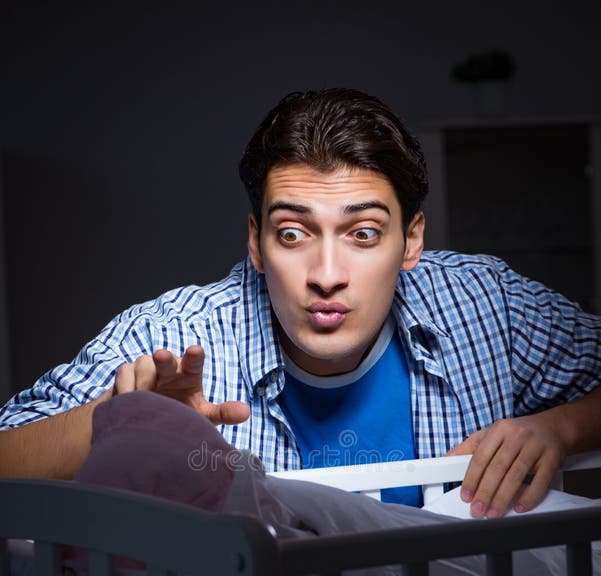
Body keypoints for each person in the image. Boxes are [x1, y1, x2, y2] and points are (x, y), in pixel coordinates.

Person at [1, 87, 601, 516]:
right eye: (293, 234)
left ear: (411, 238)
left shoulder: (485, 304)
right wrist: (124, 420)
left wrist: (562, 427)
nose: (327, 274)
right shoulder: (171, 341)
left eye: (363, 234)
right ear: (256, 243)